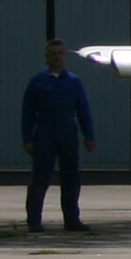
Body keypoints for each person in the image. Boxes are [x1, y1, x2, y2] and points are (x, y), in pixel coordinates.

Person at [21, 38, 95, 232]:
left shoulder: (73, 81)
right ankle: (34, 221)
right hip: (45, 135)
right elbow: (28, 112)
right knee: (40, 178)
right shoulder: (37, 82)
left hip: (68, 134)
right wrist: (27, 139)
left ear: (64, 56)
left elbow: (83, 110)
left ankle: (72, 220)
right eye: (53, 53)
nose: (57, 56)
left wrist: (89, 136)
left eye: (60, 53)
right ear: (47, 56)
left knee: (71, 178)